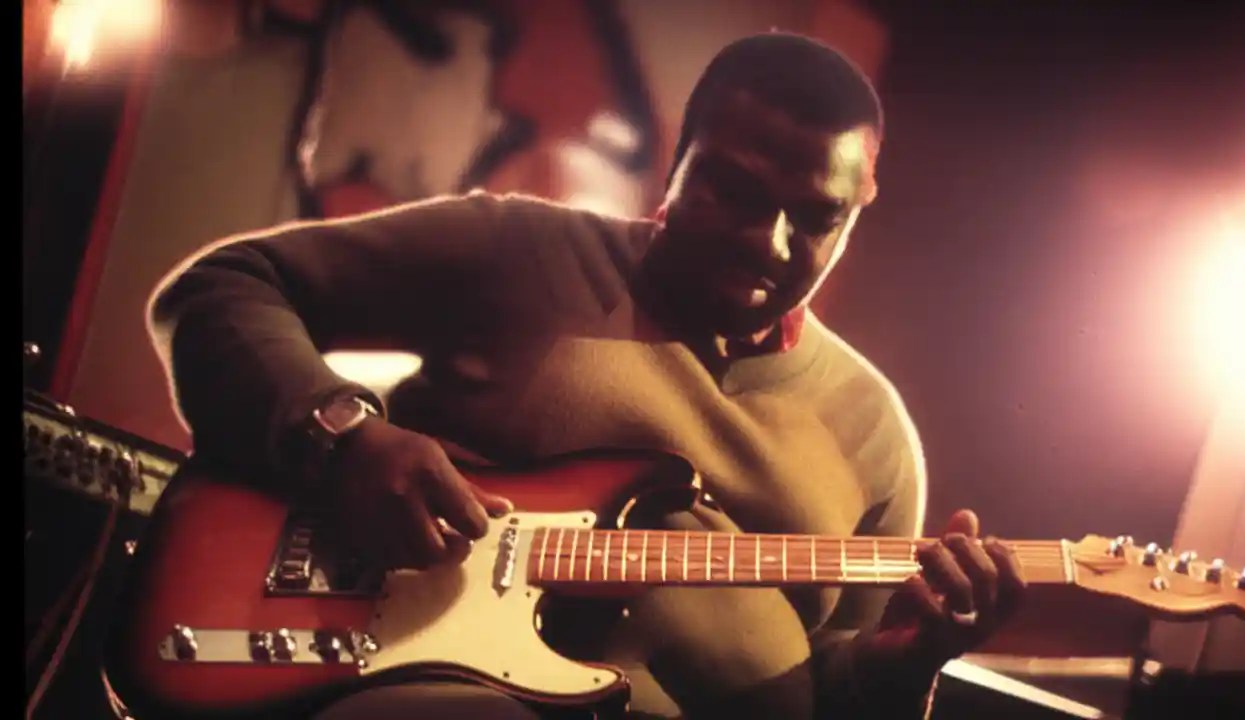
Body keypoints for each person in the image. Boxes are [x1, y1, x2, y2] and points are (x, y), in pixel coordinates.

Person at [148, 32, 1025, 719]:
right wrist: (341, 441)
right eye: (734, 191)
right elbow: (224, 290)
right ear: (677, 165)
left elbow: (839, 705)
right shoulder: (518, 253)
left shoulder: (877, 437)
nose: (770, 242)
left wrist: (905, 663)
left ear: (859, 207)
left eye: (816, 217)